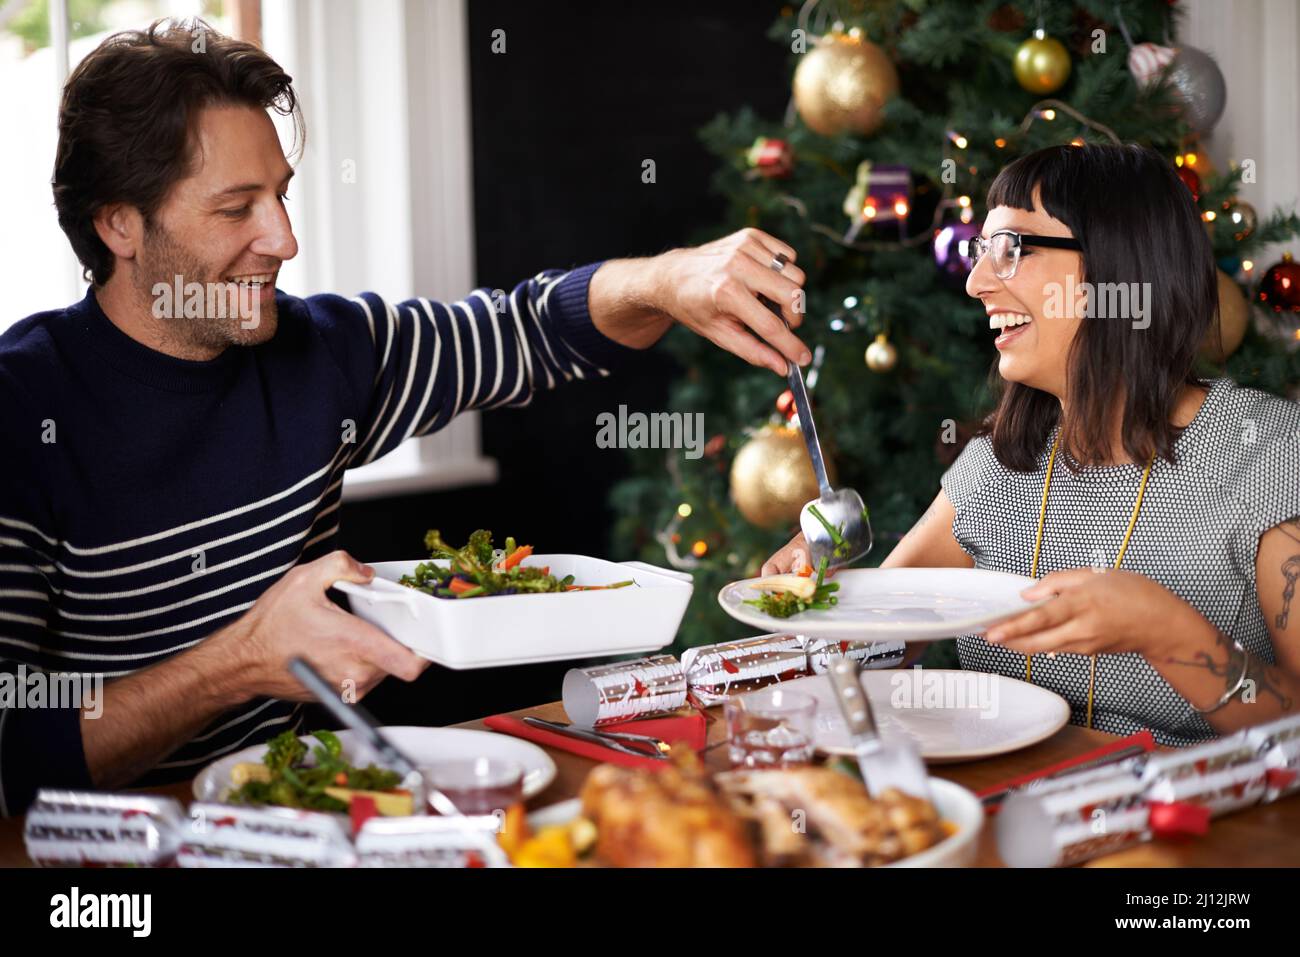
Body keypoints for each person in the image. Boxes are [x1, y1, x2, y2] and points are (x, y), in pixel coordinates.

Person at [0, 20, 810, 814]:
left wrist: (670, 279)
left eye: (280, 196)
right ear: (120, 225)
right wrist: (239, 662)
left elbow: (532, 330)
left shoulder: (317, 351)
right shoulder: (22, 414)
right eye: (235, 208)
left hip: (301, 817)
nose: (283, 240)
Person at [763, 143, 1300, 746]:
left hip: (1196, 829)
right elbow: (883, 635)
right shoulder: (997, 461)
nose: (975, 282)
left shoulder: (1268, 453)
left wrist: (1170, 633)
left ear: (1118, 268)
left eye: (1013, 249)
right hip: (1004, 813)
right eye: (980, 251)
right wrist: (819, 597)